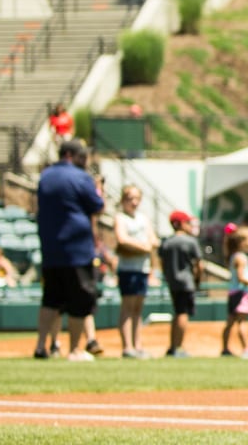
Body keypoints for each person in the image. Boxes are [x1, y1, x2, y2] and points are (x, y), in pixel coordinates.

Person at [34, 139, 105, 362]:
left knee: (50, 300)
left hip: (51, 249)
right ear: (71, 155)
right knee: (79, 299)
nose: (84, 162)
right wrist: (98, 189)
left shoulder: (45, 175)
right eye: (82, 157)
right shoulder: (80, 176)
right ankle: (75, 349)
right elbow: (97, 205)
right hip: (77, 250)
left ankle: (40, 346)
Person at [114, 184, 157, 359]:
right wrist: (142, 247)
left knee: (138, 309)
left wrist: (148, 246)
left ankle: (138, 345)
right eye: (130, 198)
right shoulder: (120, 217)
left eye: (136, 198)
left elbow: (153, 239)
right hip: (128, 268)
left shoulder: (143, 218)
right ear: (123, 200)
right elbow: (122, 239)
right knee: (128, 307)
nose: (134, 202)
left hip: (143, 268)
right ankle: (127, 347)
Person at [158, 211, 203, 358]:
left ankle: (172, 347)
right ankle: (178, 347)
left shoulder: (167, 242)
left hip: (172, 283)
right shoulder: (190, 242)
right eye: (188, 223)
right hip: (186, 282)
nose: (190, 226)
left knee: (177, 313)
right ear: (181, 224)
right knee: (183, 314)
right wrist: (197, 280)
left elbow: (161, 263)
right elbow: (199, 265)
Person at [222, 224, 248, 359]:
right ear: (241, 242)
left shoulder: (234, 256)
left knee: (230, 323)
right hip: (240, 294)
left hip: (233, 293)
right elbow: (241, 277)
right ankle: (246, 349)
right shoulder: (241, 258)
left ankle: (225, 349)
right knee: (241, 323)